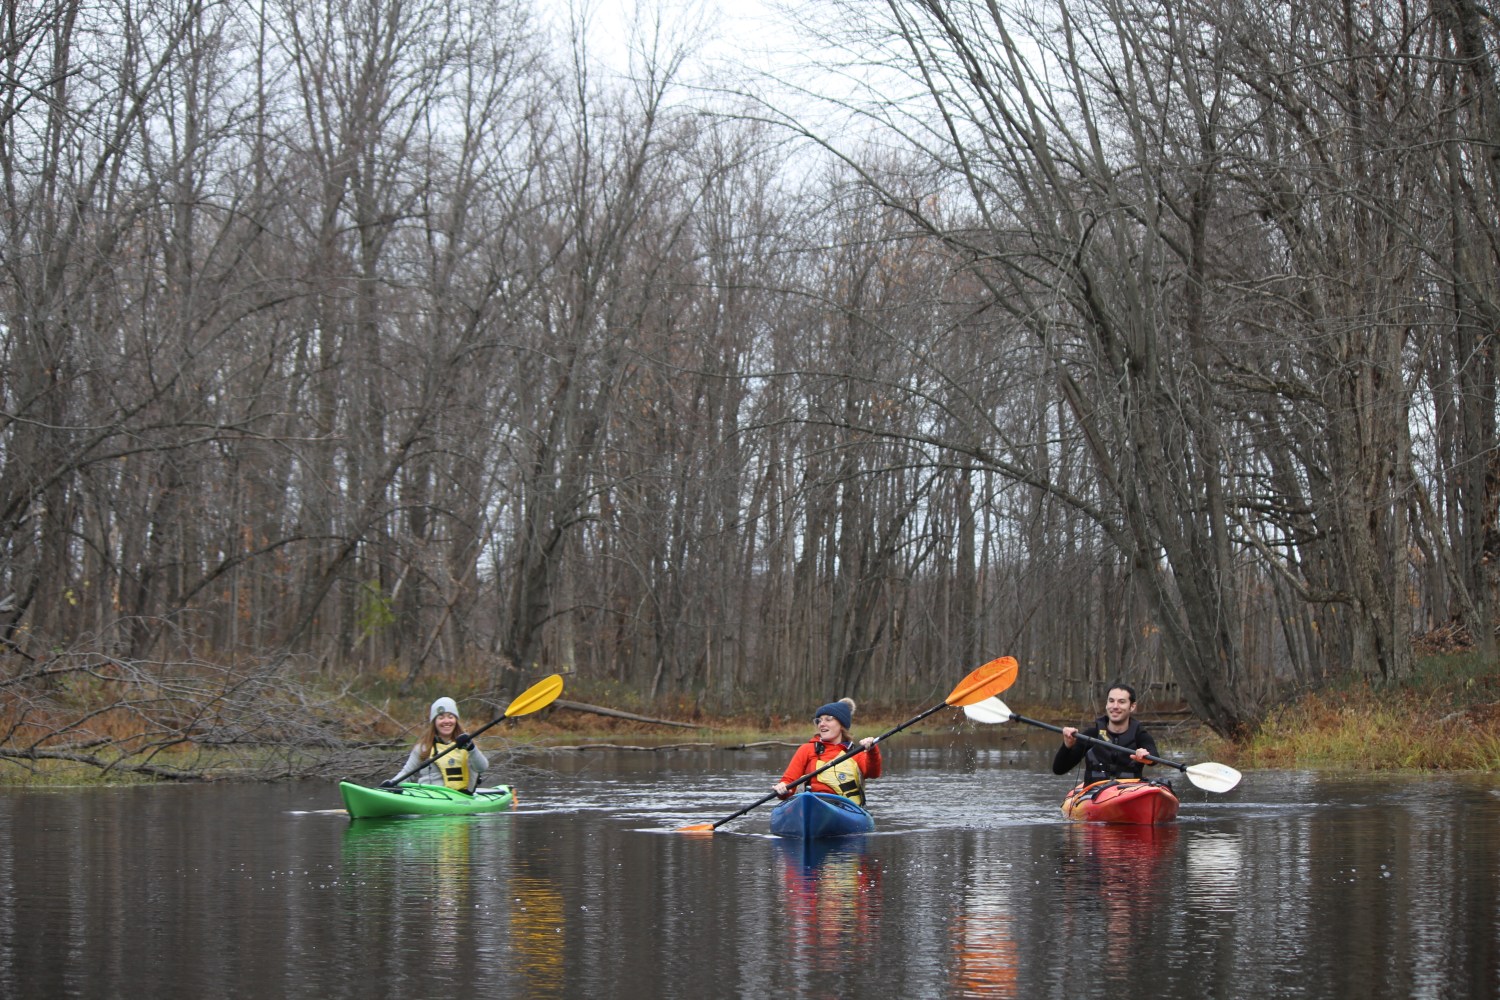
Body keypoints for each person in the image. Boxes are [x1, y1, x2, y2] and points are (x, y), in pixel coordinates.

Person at [773, 697, 882, 806]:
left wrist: (872, 750)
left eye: (828, 719)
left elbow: (873, 773)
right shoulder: (806, 750)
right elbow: (788, 782)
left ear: (841, 725)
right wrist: (783, 789)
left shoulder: (855, 754)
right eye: (819, 720)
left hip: (846, 809)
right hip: (811, 805)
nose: (822, 724)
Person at [1052, 683, 1157, 783]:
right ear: (1107, 704)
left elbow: (1154, 758)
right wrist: (1067, 746)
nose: (1115, 706)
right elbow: (1059, 769)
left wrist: (1146, 757)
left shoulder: (1140, 736)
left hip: (1129, 791)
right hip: (1095, 794)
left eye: (1121, 702)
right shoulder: (1091, 735)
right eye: (1111, 701)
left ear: (1132, 706)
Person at [382, 696, 488, 792]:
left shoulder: (466, 744)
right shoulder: (423, 747)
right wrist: (392, 783)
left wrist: (472, 748)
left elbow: (482, 767)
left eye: (451, 717)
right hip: (429, 796)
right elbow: (407, 772)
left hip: (461, 797)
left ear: (456, 720)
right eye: (441, 718)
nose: (446, 721)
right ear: (434, 722)